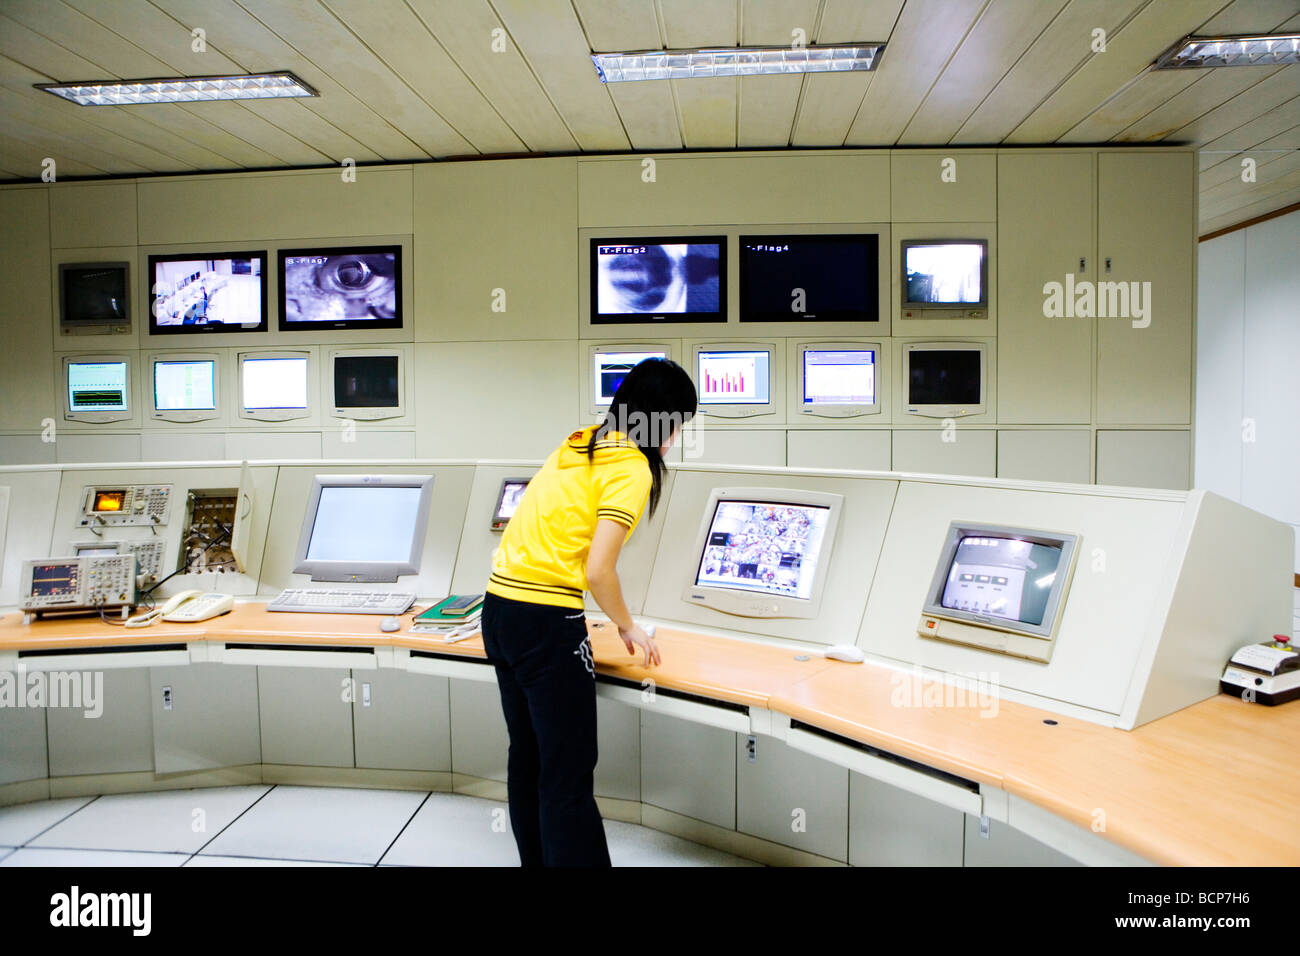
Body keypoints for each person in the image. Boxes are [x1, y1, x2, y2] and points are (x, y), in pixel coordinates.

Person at [481, 357, 697, 867]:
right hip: (545, 622)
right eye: (677, 425)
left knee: (528, 759)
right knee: (568, 775)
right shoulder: (632, 467)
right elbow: (600, 570)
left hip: (500, 610)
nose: (674, 439)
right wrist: (628, 627)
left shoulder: (580, 442)